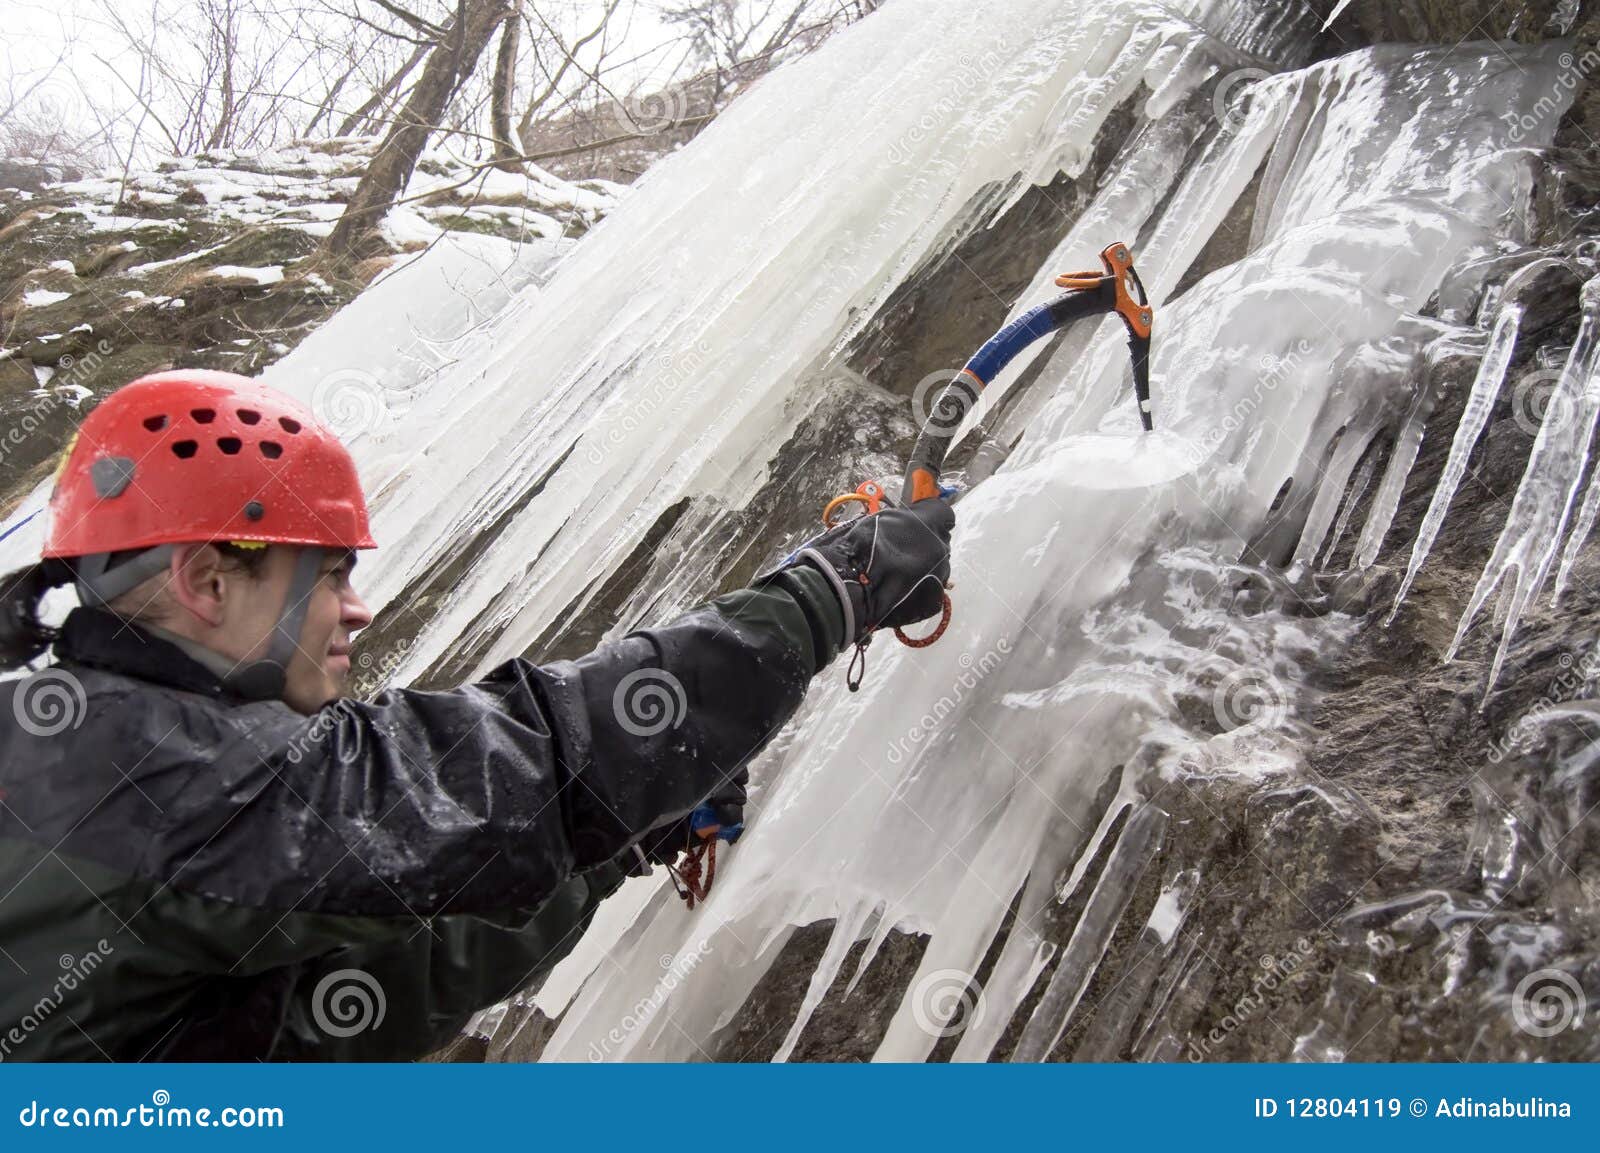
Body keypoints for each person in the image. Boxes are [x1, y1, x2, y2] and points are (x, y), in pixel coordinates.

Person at [0, 369, 953, 1061]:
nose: (358, 609)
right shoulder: (135, 767)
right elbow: (499, 769)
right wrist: (826, 594)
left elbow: (351, 999)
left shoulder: (92, 748)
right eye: (329, 574)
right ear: (207, 580)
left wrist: (614, 841)